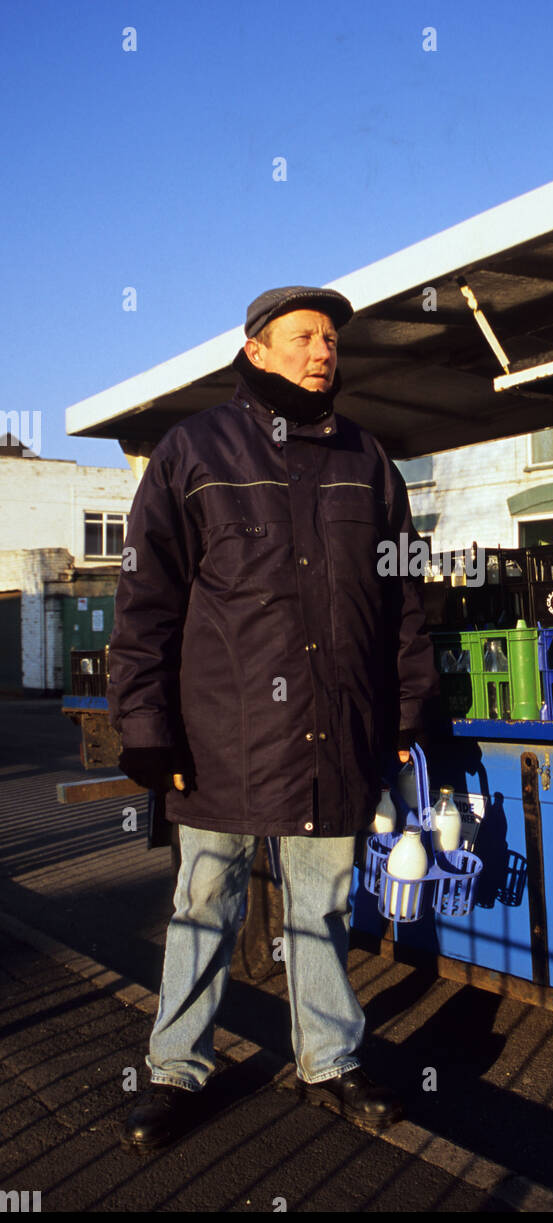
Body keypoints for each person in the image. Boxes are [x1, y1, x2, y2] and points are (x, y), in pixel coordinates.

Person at [108, 285, 438, 1152]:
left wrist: (407, 709)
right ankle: (176, 1069)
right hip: (220, 736)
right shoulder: (193, 450)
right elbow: (145, 600)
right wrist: (144, 726)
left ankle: (329, 1061)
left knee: (323, 907)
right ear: (255, 349)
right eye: (303, 336)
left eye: (331, 338)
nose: (323, 349)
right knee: (203, 902)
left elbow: (403, 598)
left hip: (335, 731)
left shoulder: (369, 461)